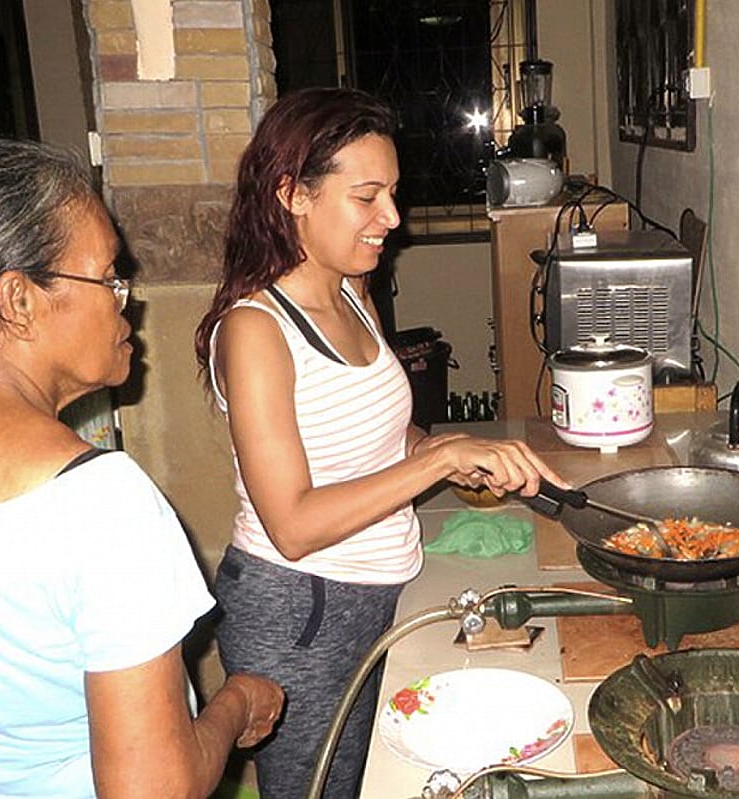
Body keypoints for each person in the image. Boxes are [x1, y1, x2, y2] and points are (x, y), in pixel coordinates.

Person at [0, 138, 283, 799]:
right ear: (19, 300)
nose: (126, 300)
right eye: (108, 275)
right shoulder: (102, 505)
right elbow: (155, 789)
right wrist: (237, 702)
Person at [193, 88, 564, 799]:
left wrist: (444, 450)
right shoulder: (255, 330)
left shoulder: (353, 291)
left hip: (379, 587)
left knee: (384, 777)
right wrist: (439, 461)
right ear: (292, 194)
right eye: (366, 197)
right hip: (300, 608)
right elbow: (293, 524)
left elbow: (383, 434)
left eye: (391, 194)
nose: (392, 218)